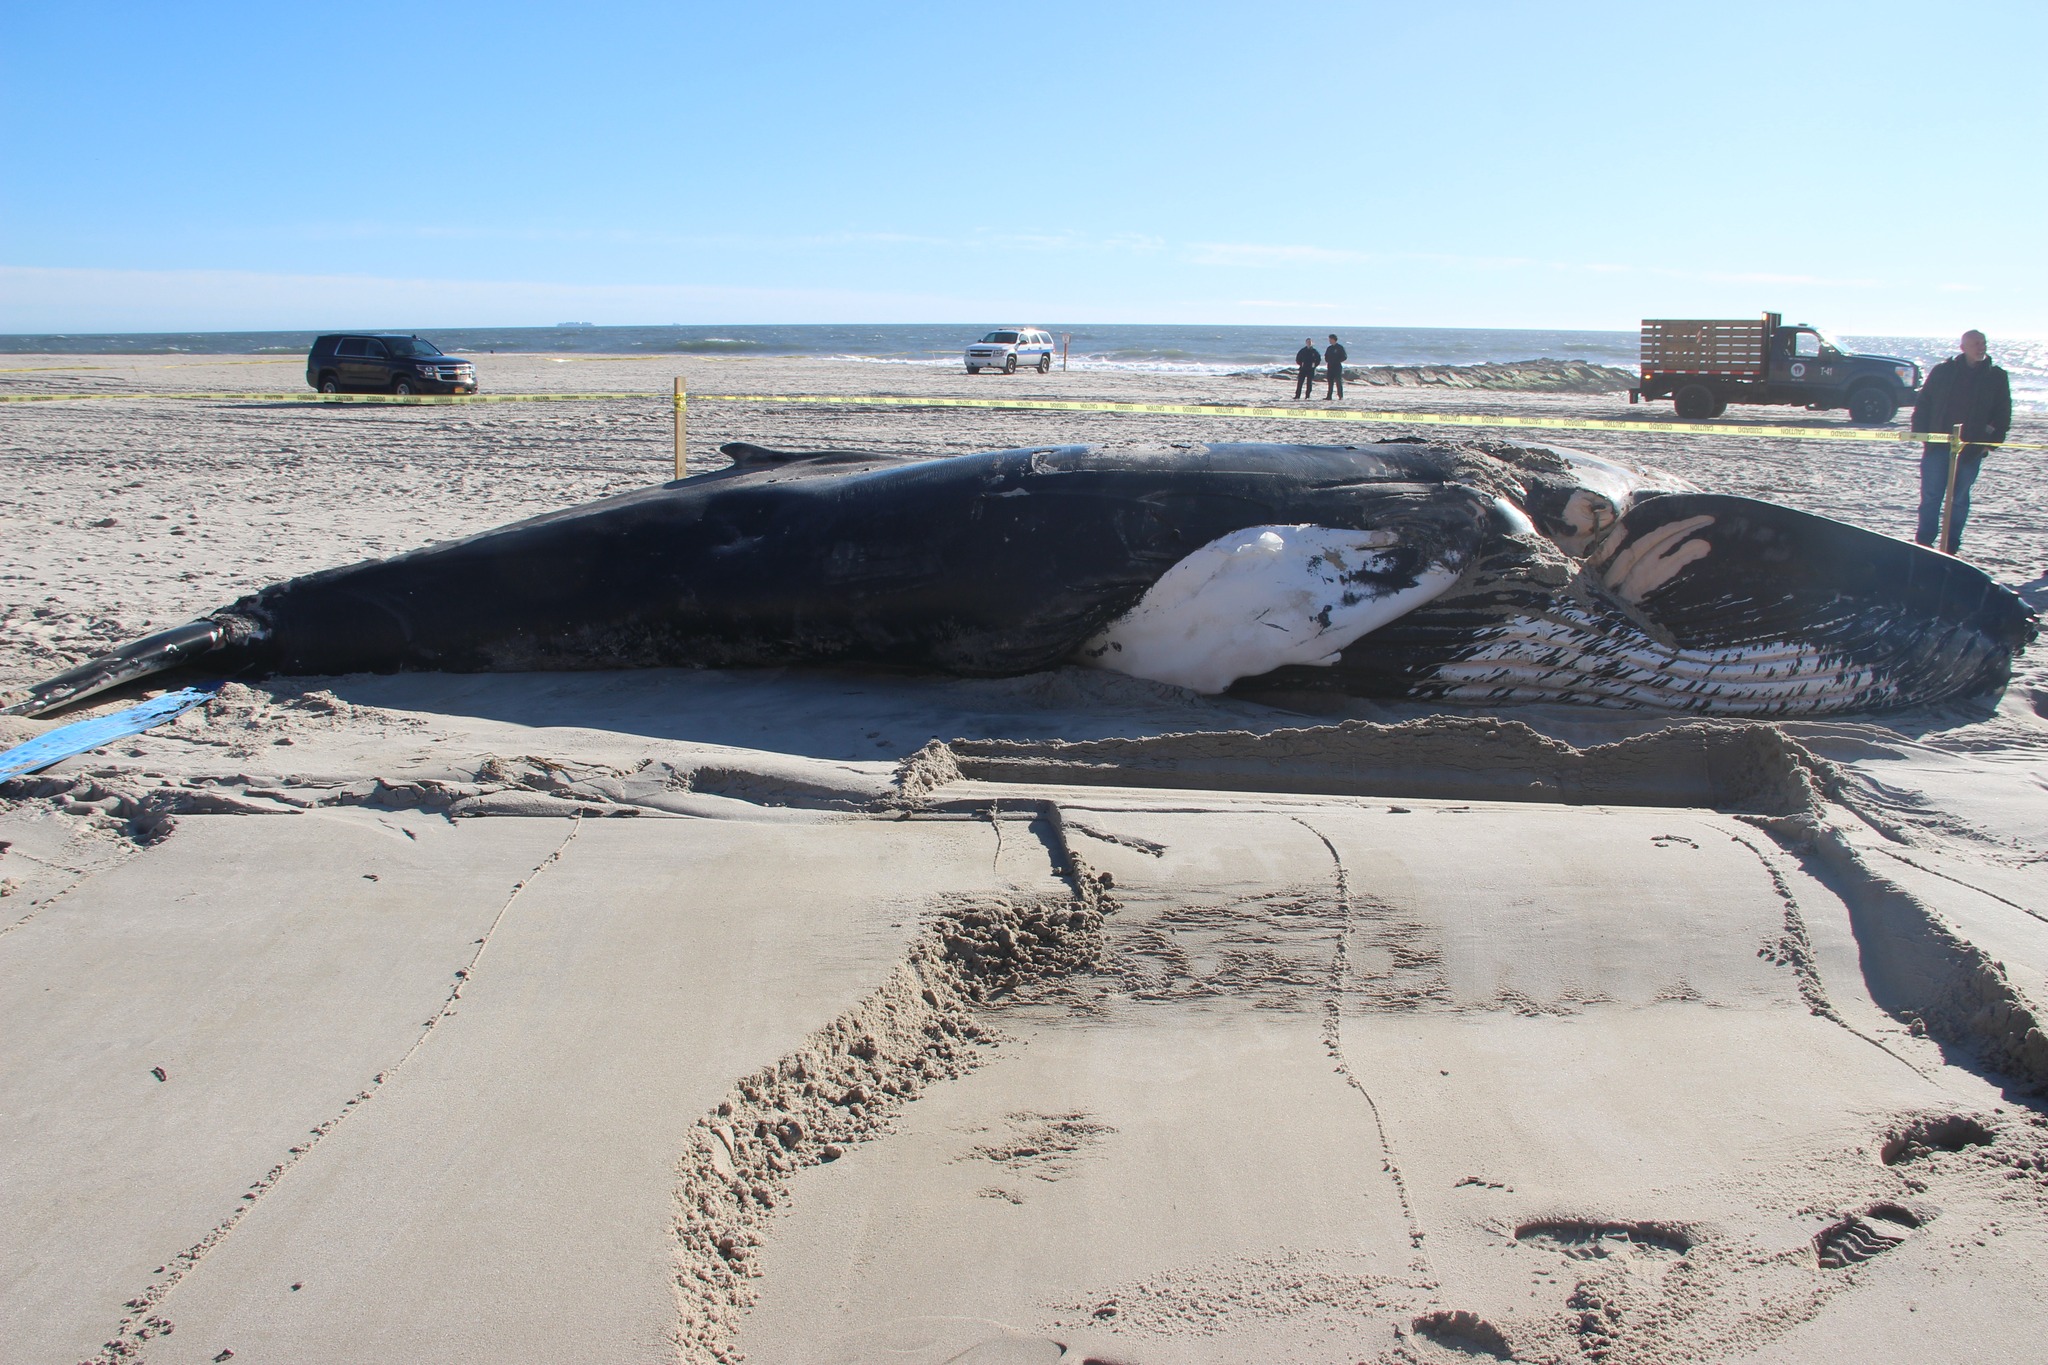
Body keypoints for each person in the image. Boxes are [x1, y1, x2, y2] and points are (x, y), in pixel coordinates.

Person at [1911, 329, 2011, 554]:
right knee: (1931, 496)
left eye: (1983, 343)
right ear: (1963, 347)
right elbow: (1924, 402)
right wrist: (1920, 433)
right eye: (1975, 343)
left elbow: (2003, 411)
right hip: (1937, 445)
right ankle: (1924, 543)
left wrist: (1991, 442)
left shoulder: (1995, 376)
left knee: (1959, 500)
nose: (1980, 347)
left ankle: (1951, 547)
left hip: (1971, 449)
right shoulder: (1943, 371)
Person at [1324, 334, 1348, 400]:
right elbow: (1326, 356)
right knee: (1330, 382)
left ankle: (1340, 396)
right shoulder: (1329, 348)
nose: (1329, 341)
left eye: (1330, 339)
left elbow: (1344, 356)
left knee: (1338, 382)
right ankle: (1329, 396)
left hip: (1337, 367)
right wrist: (1328, 361)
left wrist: (1337, 361)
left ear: (1333, 339)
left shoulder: (1340, 347)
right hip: (1330, 367)